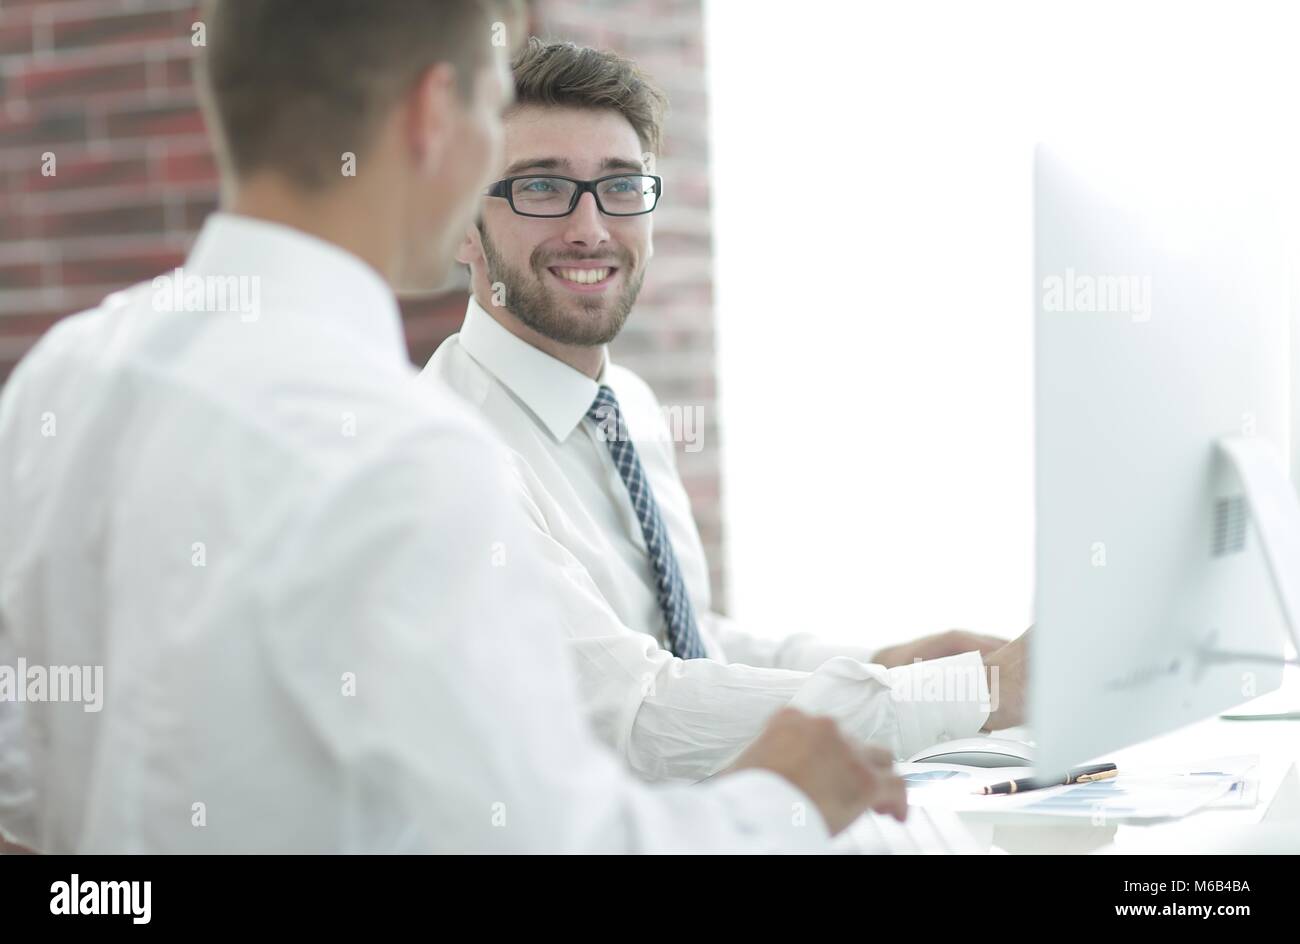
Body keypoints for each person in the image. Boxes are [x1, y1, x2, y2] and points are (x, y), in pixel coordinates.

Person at [0, 1, 906, 853]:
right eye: (492, 100)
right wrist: (783, 799)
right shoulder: (411, 454)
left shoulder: (61, 378)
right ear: (437, 111)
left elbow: (20, 788)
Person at [422, 38, 1031, 783]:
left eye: (620, 186)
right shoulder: (447, 453)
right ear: (460, 224)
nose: (591, 228)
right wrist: (978, 692)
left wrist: (893, 663)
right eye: (542, 187)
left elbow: (688, 644)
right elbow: (637, 714)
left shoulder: (626, 406)